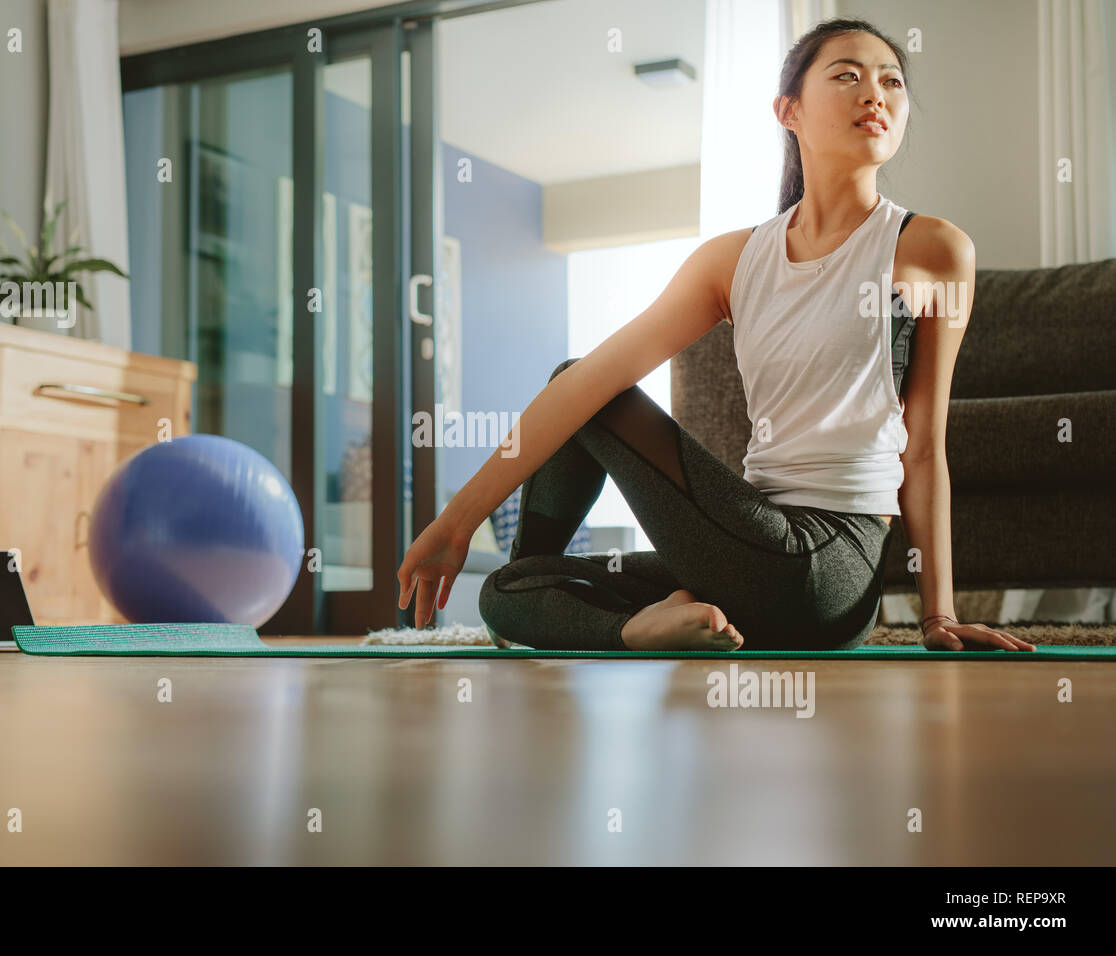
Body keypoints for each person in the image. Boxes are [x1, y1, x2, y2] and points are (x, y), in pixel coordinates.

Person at [396, 17, 1035, 654]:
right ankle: (612, 614)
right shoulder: (732, 262)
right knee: (505, 590)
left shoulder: (930, 250)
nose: (877, 94)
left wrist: (937, 614)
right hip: (745, 554)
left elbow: (923, 448)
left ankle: (602, 611)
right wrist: (457, 523)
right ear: (789, 111)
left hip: (828, 569)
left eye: (892, 82)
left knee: (577, 384)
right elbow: (592, 383)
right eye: (848, 76)